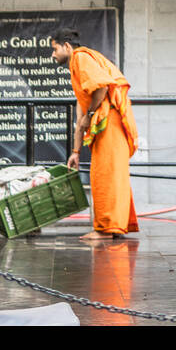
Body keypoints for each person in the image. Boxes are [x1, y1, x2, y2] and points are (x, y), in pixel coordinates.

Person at [53, 29, 139, 240]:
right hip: (107, 123)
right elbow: (80, 114)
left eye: (54, 49)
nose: (52, 55)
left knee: (106, 175)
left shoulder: (80, 56)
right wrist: (75, 151)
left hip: (110, 122)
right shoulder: (76, 67)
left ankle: (105, 230)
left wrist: (90, 114)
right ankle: (117, 226)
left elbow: (100, 88)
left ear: (67, 46)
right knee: (111, 175)